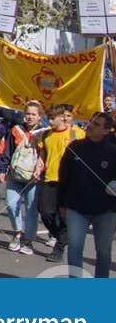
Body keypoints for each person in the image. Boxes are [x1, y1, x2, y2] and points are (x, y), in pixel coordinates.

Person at [58, 111, 115, 277]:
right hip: (77, 208)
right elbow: (63, 176)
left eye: (97, 124)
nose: (90, 126)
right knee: (75, 247)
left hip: (106, 211)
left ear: (106, 130)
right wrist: (61, 203)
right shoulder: (74, 147)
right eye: (91, 122)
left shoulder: (113, 152)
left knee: (104, 251)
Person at [36, 102, 87, 262]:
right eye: (48, 118)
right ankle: (62, 237)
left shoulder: (77, 134)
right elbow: (43, 153)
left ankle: (59, 248)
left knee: (65, 216)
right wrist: (39, 166)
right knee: (45, 212)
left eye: (52, 118)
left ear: (62, 118)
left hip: (69, 182)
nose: (49, 121)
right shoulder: (46, 135)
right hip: (50, 179)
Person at [2, 100, 44, 253]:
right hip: (15, 174)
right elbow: (7, 150)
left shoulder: (44, 133)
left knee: (31, 209)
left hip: (34, 178)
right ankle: (18, 233)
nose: (30, 117)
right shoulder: (16, 130)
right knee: (12, 204)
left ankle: (28, 240)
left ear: (40, 117)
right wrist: (2, 169)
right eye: (28, 114)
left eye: (34, 114)